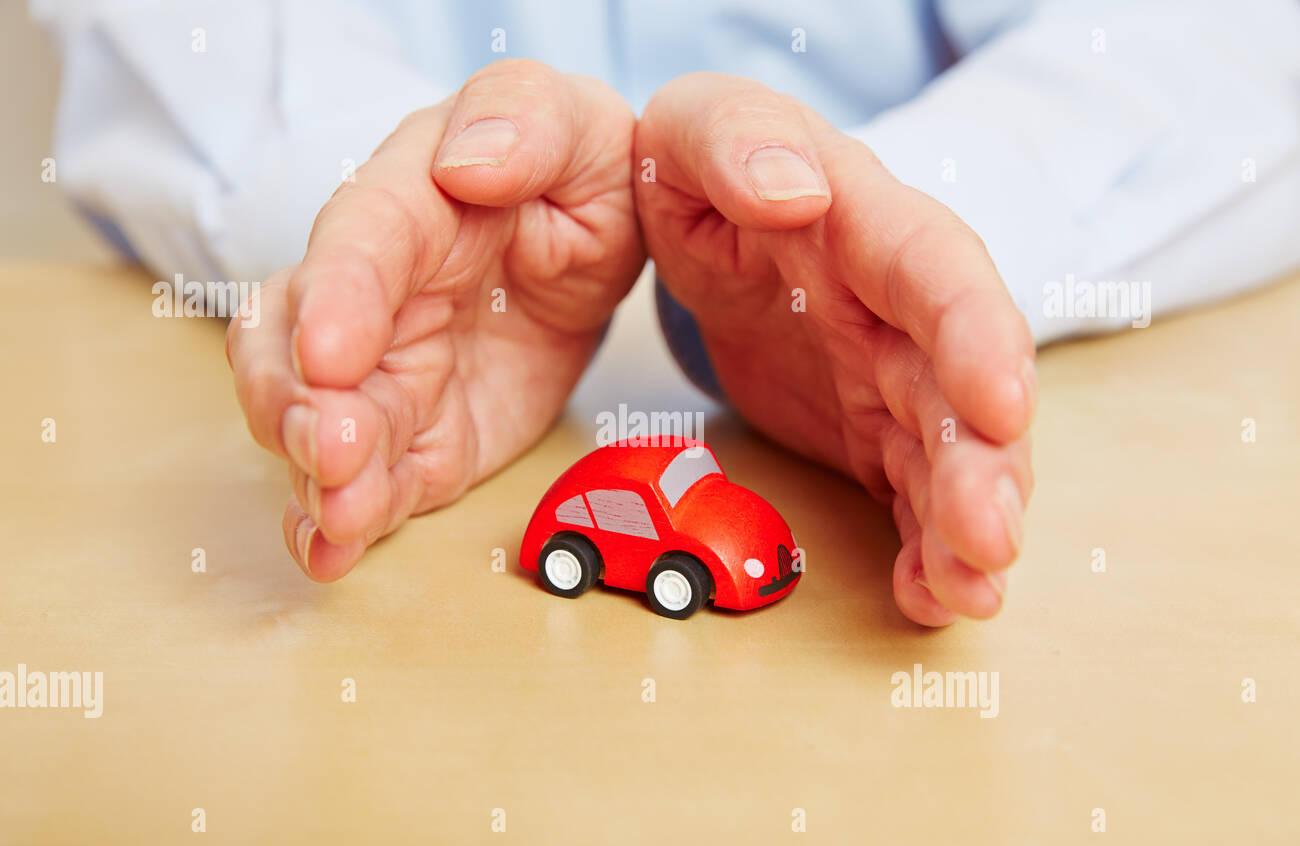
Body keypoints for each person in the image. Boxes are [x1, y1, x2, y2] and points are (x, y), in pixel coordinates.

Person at [35, 0, 1300, 625]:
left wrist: (905, 221)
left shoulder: (708, 526)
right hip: (376, 316)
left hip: (875, 317)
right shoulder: (619, 527)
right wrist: (371, 211)